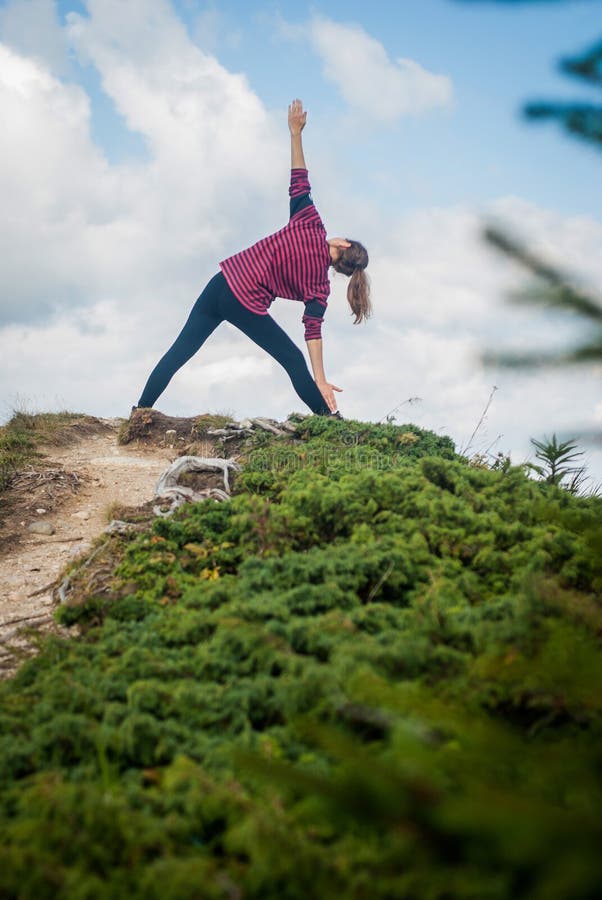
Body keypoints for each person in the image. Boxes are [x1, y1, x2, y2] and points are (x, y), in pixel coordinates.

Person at [134, 98, 372, 419]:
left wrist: (295, 133)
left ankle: (140, 411)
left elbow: (298, 179)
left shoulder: (310, 223)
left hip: (221, 282)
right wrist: (321, 380)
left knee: (180, 352)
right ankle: (328, 418)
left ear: (342, 243)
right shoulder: (319, 287)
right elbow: (312, 332)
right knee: (292, 360)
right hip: (243, 302)